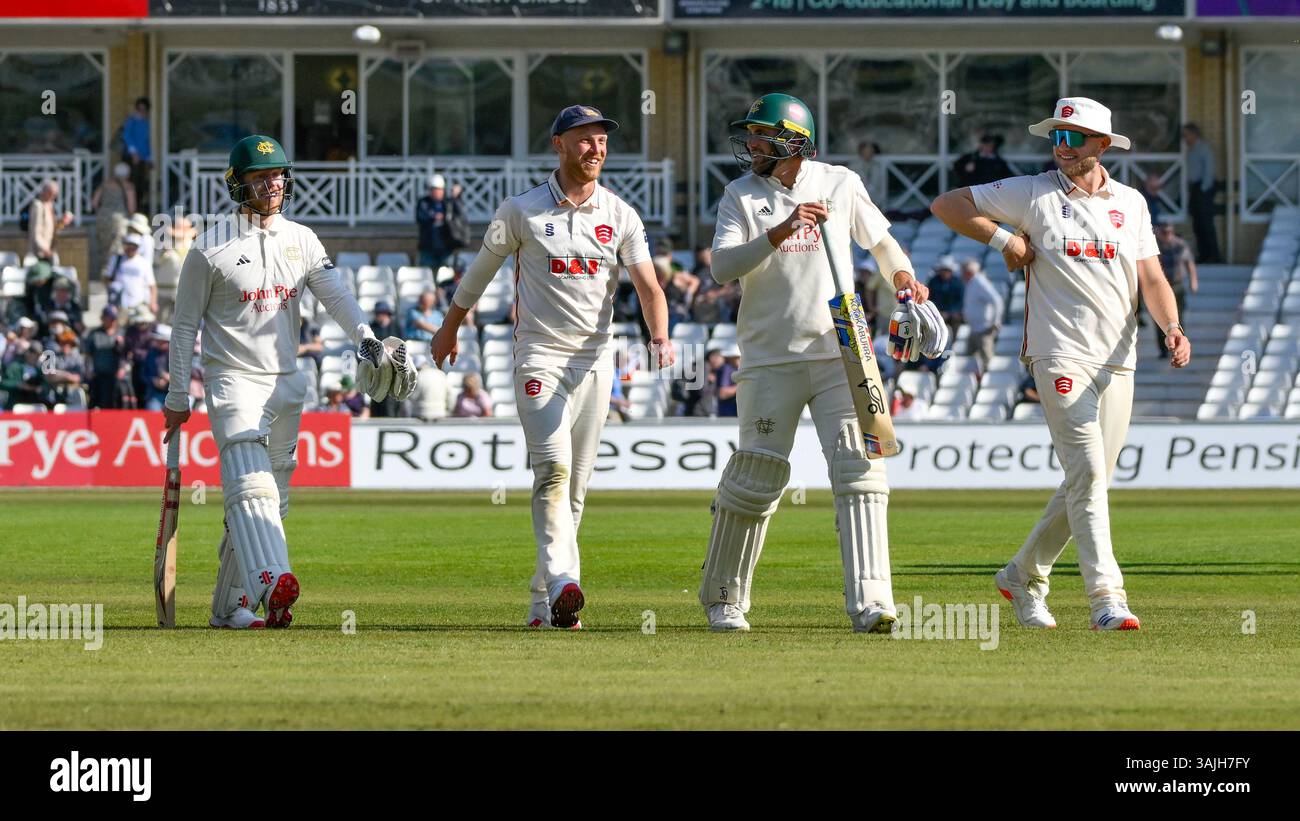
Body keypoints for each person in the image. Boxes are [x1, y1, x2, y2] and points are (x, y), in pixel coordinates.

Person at [931, 96, 1191, 632]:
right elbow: (947, 204)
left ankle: (1022, 573)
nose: (1061, 147)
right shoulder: (1032, 190)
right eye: (1055, 137)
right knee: (1089, 474)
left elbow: (1153, 279)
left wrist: (1172, 328)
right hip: (1057, 351)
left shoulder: (1132, 204)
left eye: (1073, 138)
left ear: (1101, 144)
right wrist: (1004, 237)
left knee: (1086, 481)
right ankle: (1106, 597)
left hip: (1119, 358)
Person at [699, 92, 941, 634]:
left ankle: (872, 602)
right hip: (770, 358)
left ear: (792, 141)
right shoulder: (740, 194)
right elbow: (722, 268)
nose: (751, 144)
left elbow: (883, 246)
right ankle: (723, 599)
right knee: (756, 478)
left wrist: (903, 280)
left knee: (861, 471)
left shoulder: (840, 182)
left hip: (841, 354)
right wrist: (783, 228)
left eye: (761, 134)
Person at [431, 104, 672, 631]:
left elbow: (651, 288)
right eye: (584, 140)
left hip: (595, 359)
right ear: (558, 144)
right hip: (539, 354)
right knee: (553, 470)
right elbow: (479, 272)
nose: (597, 149)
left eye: (602, 141)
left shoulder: (621, 214)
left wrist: (660, 336)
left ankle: (545, 605)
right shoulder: (521, 210)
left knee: (577, 488)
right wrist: (449, 327)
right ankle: (566, 582)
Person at [163, 134, 413, 631]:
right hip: (232, 381)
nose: (271, 185)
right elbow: (184, 326)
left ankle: (229, 607)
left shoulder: (302, 238)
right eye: (259, 178)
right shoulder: (208, 249)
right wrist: (176, 395)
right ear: (237, 185)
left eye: (276, 175)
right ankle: (274, 580)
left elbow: (335, 294)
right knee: (252, 488)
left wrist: (365, 338)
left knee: (269, 497)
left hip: (287, 383)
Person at [1154, 221, 1198, 358]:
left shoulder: (1180, 245)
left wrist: (1193, 281)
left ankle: (1178, 348)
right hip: (1161, 287)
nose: (1166, 236)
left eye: (1169, 233)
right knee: (1159, 320)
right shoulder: (1155, 247)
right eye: (1164, 233)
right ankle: (1163, 350)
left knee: (1178, 318)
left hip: (1177, 286)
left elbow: (1189, 262)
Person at [1182, 123, 1222, 264]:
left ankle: (1214, 255)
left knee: (1206, 223)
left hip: (1203, 189)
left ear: (1194, 134)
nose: (1185, 138)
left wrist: (1204, 189)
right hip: (1195, 188)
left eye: (1186, 134)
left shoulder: (1203, 148)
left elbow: (1209, 170)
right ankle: (1203, 254)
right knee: (1197, 224)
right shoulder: (1190, 149)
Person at [90, 162, 136, 277]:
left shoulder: (105, 185)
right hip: (118, 221)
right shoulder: (128, 186)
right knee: (116, 250)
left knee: (104, 249)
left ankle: (104, 274)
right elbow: (131, 208)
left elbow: (94, 203)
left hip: (102, 218)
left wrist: (102, 212)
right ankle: (113, 277)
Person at [415, 175, 469, 270]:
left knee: (446, 277)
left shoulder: (448, 203)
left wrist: (456, 197)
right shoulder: (424, 202)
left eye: (440, 189)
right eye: (434, 189)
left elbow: (461, 214)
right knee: (426, 274)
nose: (437, 192)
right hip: (427, 249)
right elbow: (421, 217)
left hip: (445, 248)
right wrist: (434, 217)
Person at [960, 259, 1003, 370]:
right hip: (974, 329)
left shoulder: (980, 282)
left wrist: (995, 321)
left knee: (986, 360)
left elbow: (997, 300)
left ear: (968, 272)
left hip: (984, 329)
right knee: (968, 360)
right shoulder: (972, 283)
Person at [83, 305, 127, 409]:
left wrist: (123, 368)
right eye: (109, 318)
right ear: (103, 318)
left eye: (113, 318)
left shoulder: (121, 333)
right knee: (96, 402)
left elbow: (126, 355)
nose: (111, 321)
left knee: (114, 403)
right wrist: (88, 370)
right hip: (98, 375)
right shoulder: (94, 334)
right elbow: (88, 355)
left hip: (115, 377)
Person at [104, 233, 157, 314]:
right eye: (129, 245)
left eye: (134, 246)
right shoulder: (116, 259)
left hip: (138, 305)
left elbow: (152, 286)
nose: (131, 248)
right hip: (119, 305)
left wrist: (153, 303)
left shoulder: (144, 263)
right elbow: (107, 278)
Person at [27, 180, 74, 267]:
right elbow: (35, 232)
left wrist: (62, 222)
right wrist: (45, 249)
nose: (53, 197)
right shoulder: (38, 206)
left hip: (49, 250)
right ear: (45, 192)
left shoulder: (49, 204)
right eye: (51, 194)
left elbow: (52, 227)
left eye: (55, 195)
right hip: (40, 253)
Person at [122, 97, 152, 214]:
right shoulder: (131, 121)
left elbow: (147, 142)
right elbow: (127, 136)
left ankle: (137, 209)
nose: (141, 112)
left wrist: (149, 158)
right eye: (139, 109)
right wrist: (133, 152)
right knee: (131, 183)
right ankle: (129, 209)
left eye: (144, 109)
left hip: (143, 158)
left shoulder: (146, 123)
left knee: (141, 184)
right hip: (132, 157)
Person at [926, 255, 965, 335]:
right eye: (943, 270)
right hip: (937, 312)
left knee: (955, 320)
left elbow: (960, 300)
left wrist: (951, 311)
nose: (945, 272)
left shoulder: (957, 282)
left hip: (953, 313)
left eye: (947, 270)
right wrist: (938, 311)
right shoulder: (933, 282)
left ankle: (954, 341)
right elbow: (930, 298)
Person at [411, 355, 448, 420]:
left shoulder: (418, 376)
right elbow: (450, 395)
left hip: (420, 414)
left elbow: (413, 397)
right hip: (440, 413)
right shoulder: (441, 374)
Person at [715, 343, 739, 417]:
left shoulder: (733, 369)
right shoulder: (727, 369)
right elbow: (722, 393)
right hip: (727, 416)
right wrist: (742, 386)